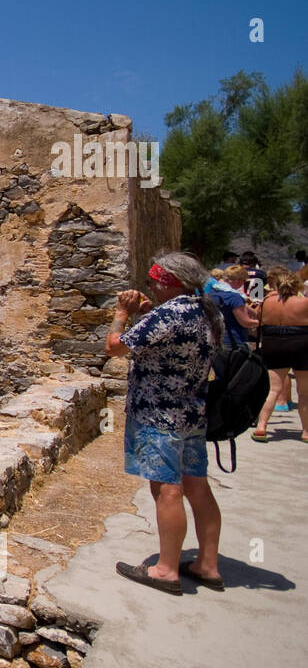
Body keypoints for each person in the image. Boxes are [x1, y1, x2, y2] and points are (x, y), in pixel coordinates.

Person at [106, 251, 224, 594]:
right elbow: (173, 338)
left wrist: (121, 314)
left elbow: (114, 347)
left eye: (154, 281)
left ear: (168, 282)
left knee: (167, 490)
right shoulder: (206, 312)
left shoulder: (169, 314)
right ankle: (207, 565)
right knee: (198, 488)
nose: (151, 287)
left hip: (158, 416)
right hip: (192, 414)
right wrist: (147, 312)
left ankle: (166, 570)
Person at [251, 265, 308, 443]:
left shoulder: (267, 301)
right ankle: (306, 432)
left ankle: (261, 427)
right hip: (302, 344)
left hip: (273, 343)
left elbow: (255, 321)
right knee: (304, 393)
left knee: (272, 390)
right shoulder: (304, 303)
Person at [209, 265, 259, 348]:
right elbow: (245, 322)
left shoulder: (211, 294)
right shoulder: (234, 297)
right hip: (233, 342)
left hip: (214, 341)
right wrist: (260, 322)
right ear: (239, 280)